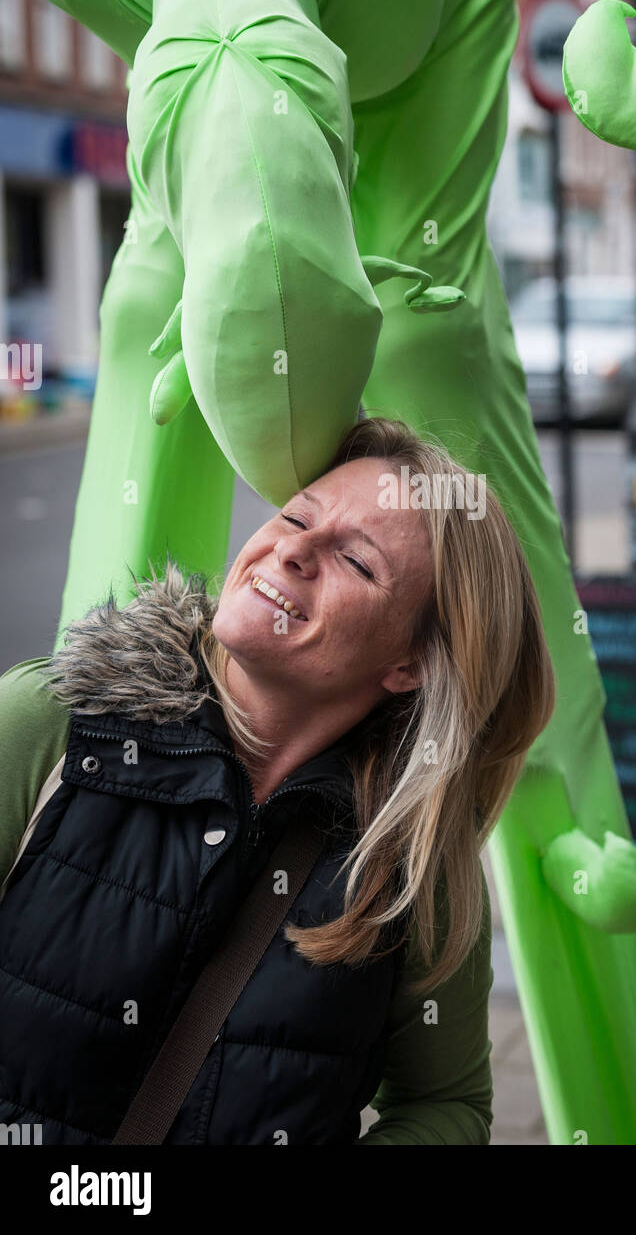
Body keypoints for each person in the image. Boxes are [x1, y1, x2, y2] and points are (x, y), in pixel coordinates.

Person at [0, 415, 556, 1145]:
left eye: (356, 563)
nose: (291, 548)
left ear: (409, 663)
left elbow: (444, 1105)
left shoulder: (413, 862)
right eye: (297, 516)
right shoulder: (47, 727)